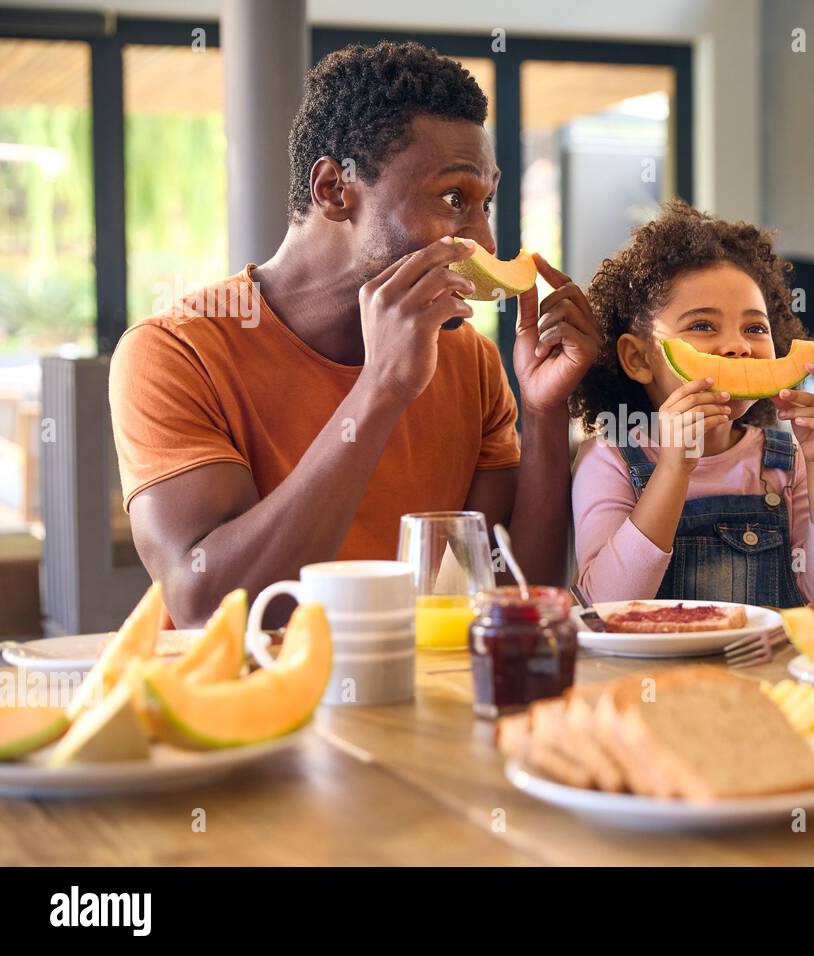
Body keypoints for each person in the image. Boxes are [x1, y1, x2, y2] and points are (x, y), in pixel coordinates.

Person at [109, 42, 597, 626]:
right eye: (453, 198)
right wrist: (380, 391)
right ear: (334, 191)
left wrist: (542, 411)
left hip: (412, 706)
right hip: (256, 707)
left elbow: (512, 595)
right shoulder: (175, 351)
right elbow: (210, 605)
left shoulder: (467, 358)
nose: (486, 244)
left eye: (485, 202)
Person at [569, 201, 814, 606]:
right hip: (652, 671)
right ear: (639, 359)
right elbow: (606, 605)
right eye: (703, 325)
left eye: (755, 328)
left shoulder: (787, 461)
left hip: (764, 668)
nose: (738, 346)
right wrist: (675, 467)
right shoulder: (609, 459)